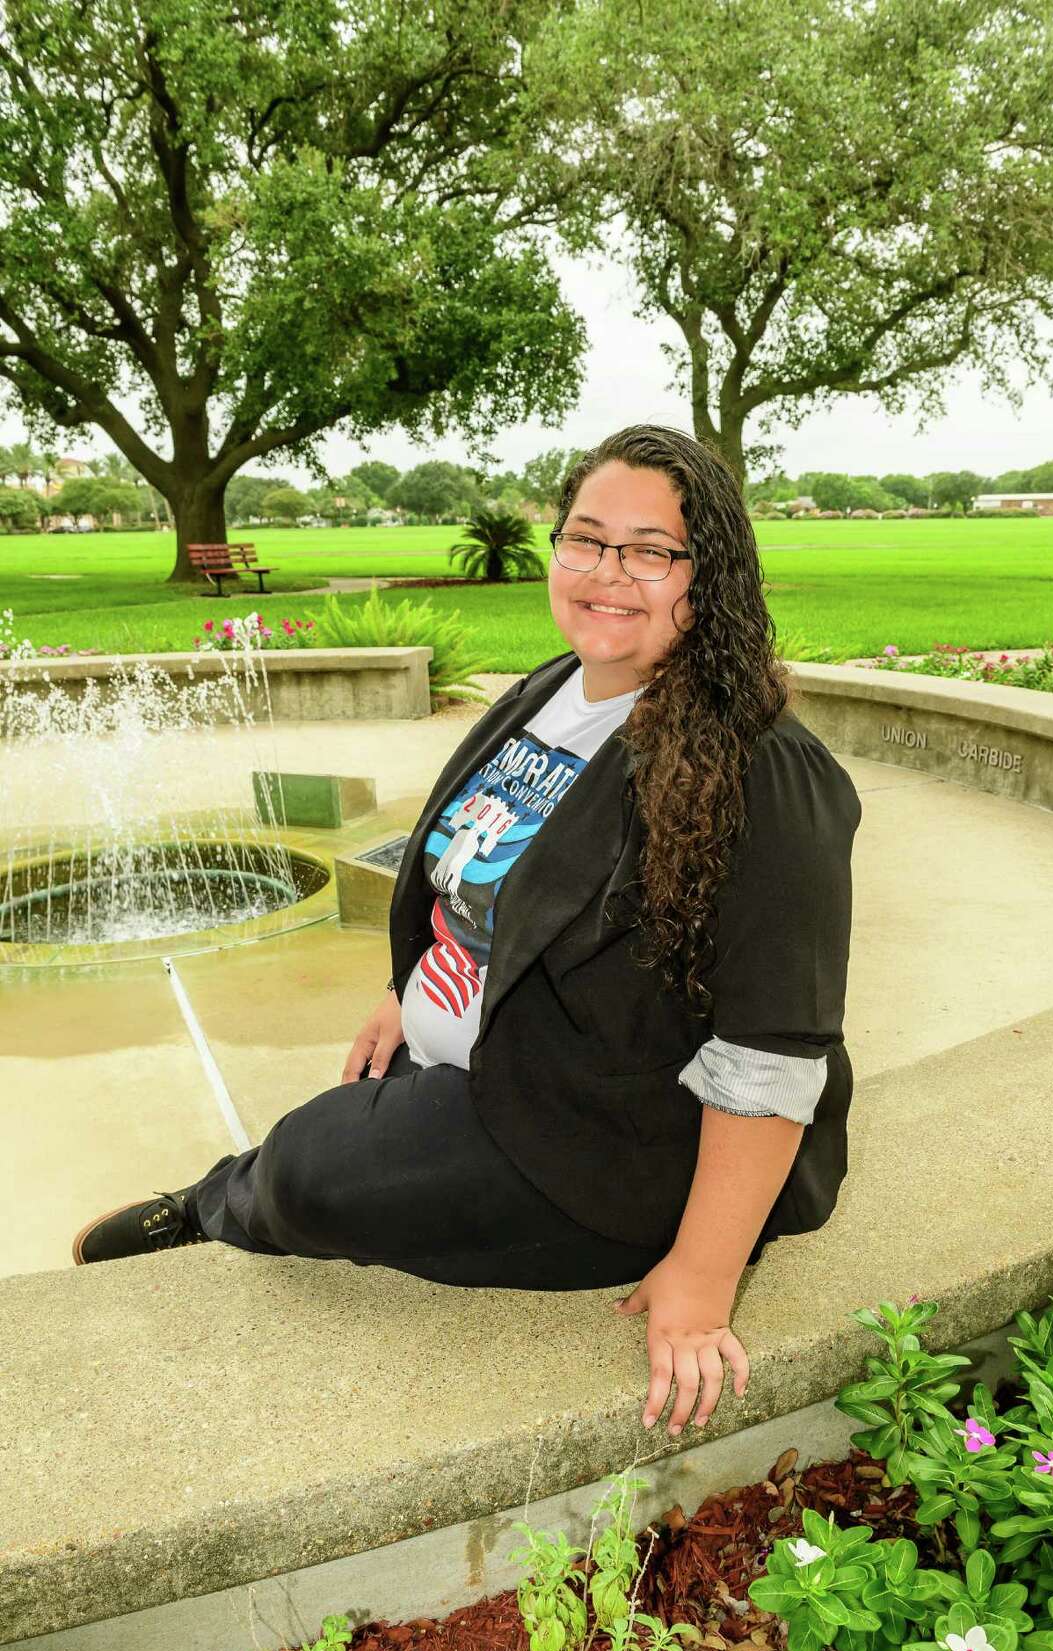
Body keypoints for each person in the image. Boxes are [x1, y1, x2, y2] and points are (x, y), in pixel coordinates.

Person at [72, 424, 863, 1441]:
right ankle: (237, 1188)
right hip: (503, 1061)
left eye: (650, 552)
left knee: (310, 1169)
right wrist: (406, 991)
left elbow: (773, 1053)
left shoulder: (763, 768)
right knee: (341, 1137)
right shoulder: (550, 693)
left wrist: (703, 1284)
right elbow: (473, 883)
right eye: (586, 539)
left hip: (612, 1136)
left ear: (708, 577)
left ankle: (211, 1207)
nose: (607, 573)